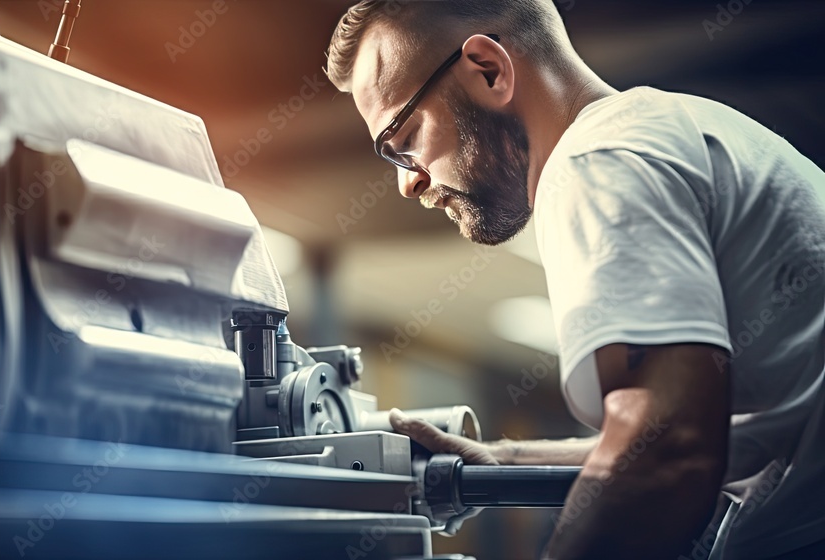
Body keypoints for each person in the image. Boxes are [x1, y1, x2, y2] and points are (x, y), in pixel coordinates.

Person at [324, 1, 825, 558]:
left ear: (489, 70)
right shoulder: (679, 127)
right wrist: (505, 459)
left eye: (404, 137)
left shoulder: (596, 162)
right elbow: (728, 430)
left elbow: (669, 453)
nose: (407, 184)